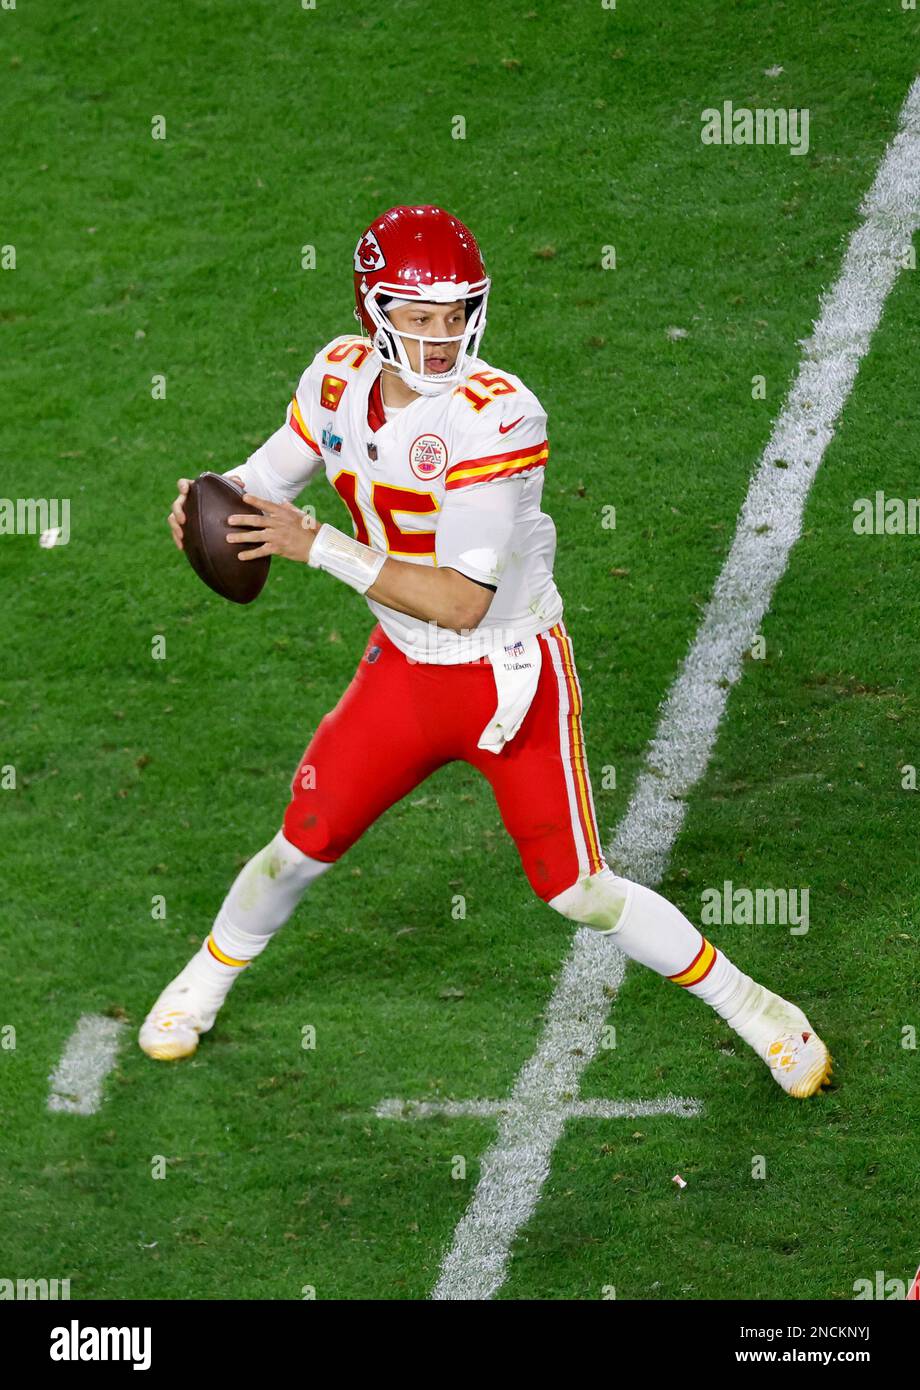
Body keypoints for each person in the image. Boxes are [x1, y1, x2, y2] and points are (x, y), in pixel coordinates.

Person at [140, 205, 831, 1099]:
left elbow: (463, 603)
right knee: (301, 843)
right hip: (403, 670)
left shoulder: (496, 414)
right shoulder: (338, 376)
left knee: (577, 888)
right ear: (372, 307)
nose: (443, 334)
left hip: (507, 675)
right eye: (420, 315)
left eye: (458, 311)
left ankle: (760, 1011)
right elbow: (259, 482)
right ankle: (203, 980)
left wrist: (317, 546)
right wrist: (208, 506)